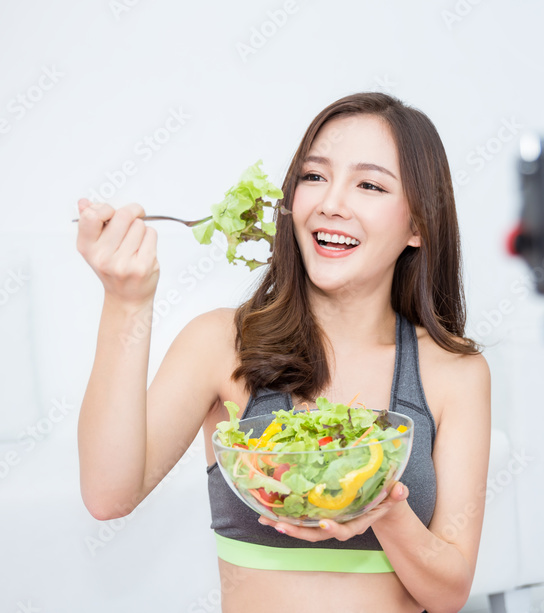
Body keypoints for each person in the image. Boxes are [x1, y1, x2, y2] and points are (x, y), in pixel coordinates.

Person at [74, 92, 491, 613]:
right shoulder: (221, 344)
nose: (331, 202)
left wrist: (383, 507)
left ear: (418, 226)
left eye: (369, 184)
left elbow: (449, 592)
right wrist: (125, 301)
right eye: (314, 177)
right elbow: (108, 496)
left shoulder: (454, 371)